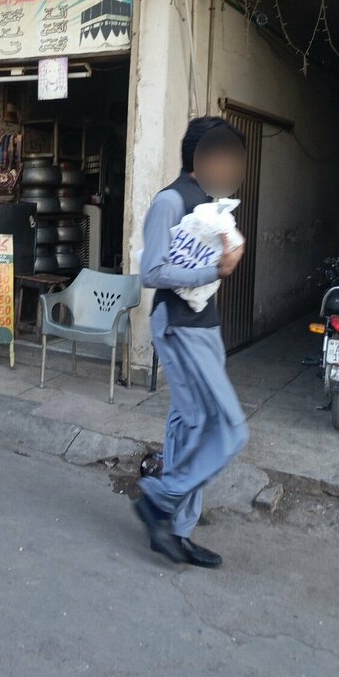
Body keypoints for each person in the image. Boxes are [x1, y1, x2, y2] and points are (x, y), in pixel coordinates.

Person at [134, 116, 250, 569]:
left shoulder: (210, 204)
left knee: (190, 427)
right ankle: (159, 499)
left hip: (205, 324)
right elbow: (152, 271)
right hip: (179, 324)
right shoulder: (171, 200)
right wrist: (214, 270)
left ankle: (178, 531)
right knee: (229, 429)